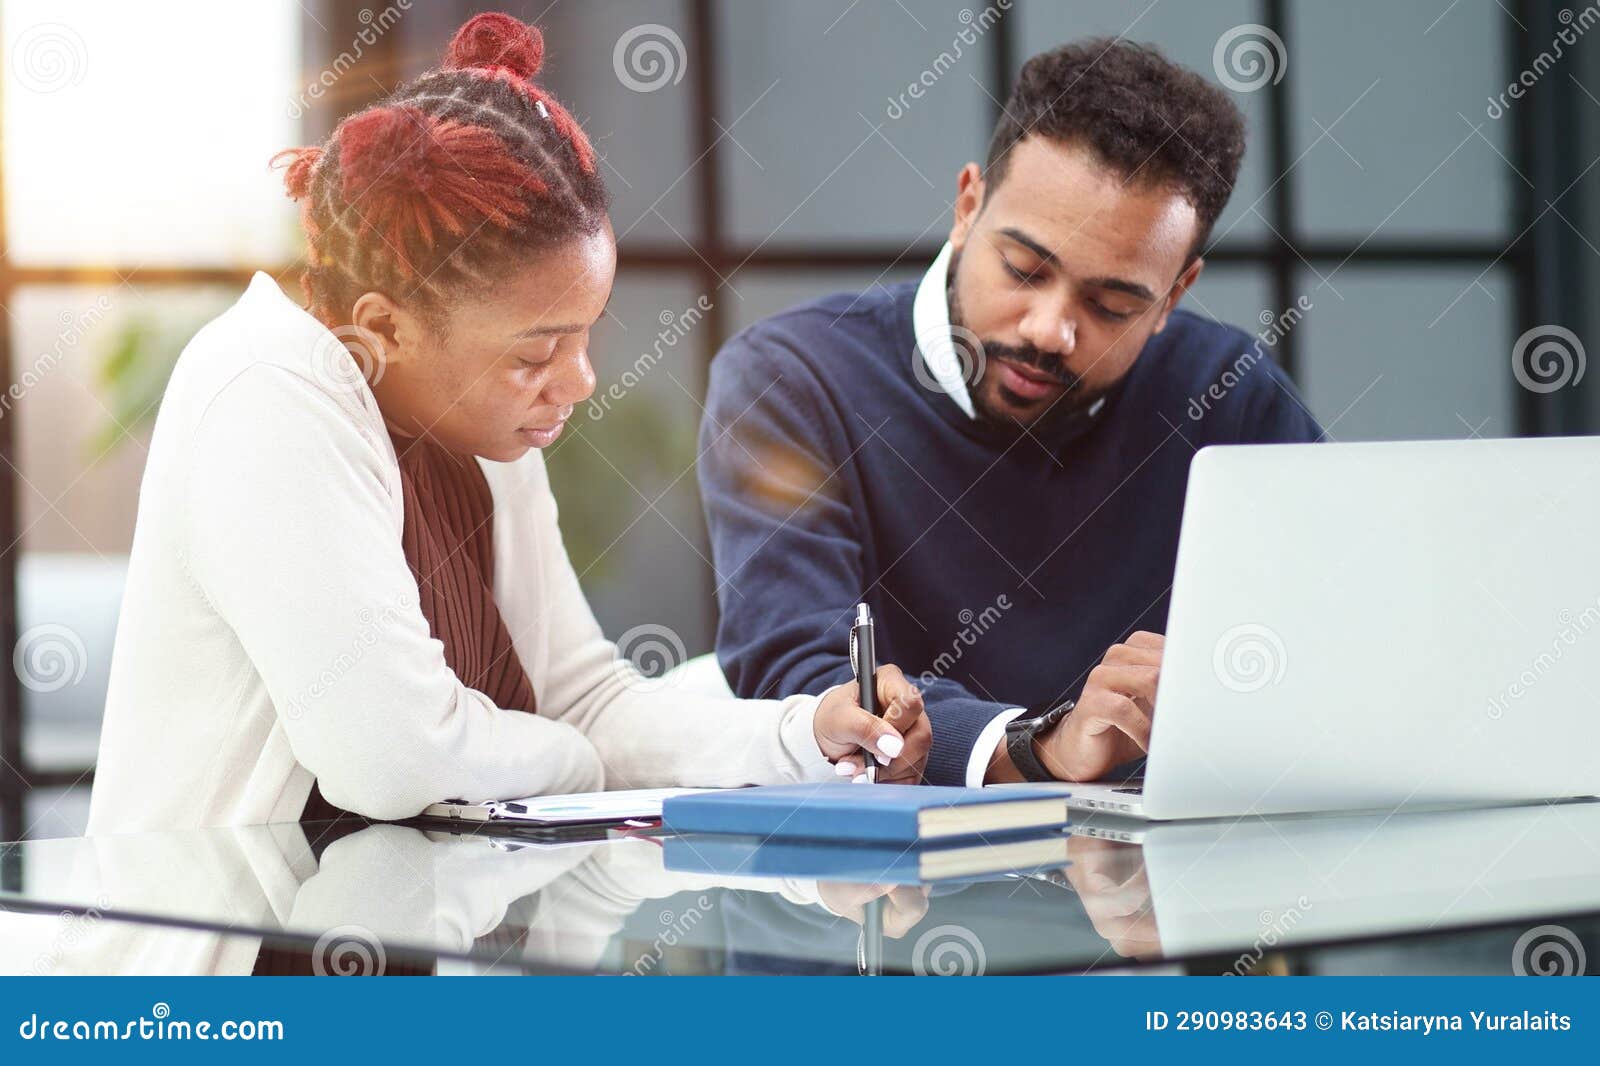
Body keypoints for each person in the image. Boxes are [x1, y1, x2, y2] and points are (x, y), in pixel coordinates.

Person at [87, 13, 927, 836]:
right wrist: (574, 757)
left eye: (585, 334)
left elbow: (585, 700)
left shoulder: (481, 433)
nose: (581, 380)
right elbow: (395, 759)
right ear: (384, 328)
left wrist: (804, 733)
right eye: (535, 355)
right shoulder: (268, 387)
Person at [699, 39, 1322, 788]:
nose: (1048, 330)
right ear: (968, 206)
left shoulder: (1228, 391)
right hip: (893, 881)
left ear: (1175, 294)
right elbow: (797, 680)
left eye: (1112, 304)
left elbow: (1334, 642)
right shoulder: (792, 380)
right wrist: (1038, 749)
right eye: (1025, 270)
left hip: (1163, 878)